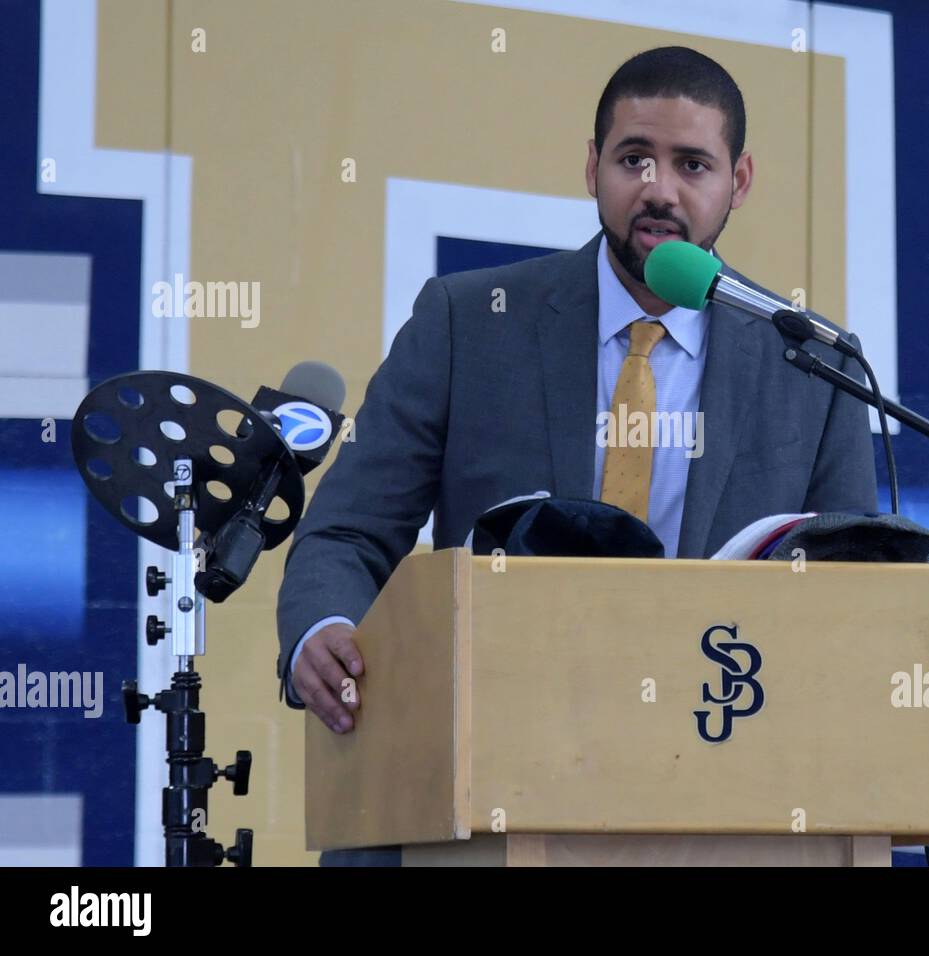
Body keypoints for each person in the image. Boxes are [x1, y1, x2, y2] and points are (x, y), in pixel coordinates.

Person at [275, 46, 875, 864]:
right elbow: (346, 534)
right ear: (593, 167)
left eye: (692, 164)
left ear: (739, 184)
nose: (659, 188)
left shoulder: (811, 364)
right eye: (634, 158)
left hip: (724, 779)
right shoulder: (467, 322)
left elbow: (856, 600)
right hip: (493, 761)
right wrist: (326, 624)